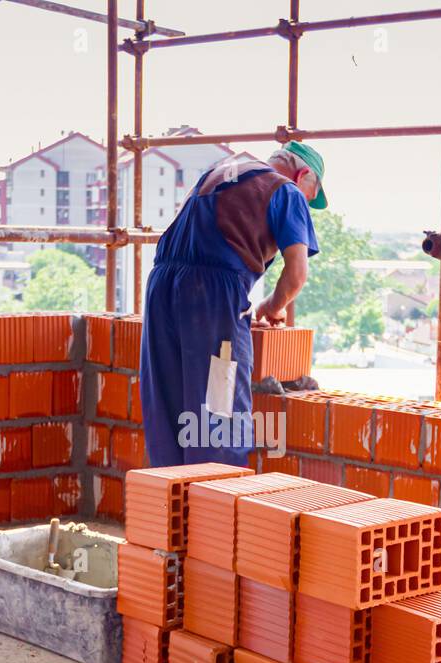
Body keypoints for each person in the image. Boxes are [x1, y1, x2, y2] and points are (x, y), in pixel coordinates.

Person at [138, 141, 326, 467]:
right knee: (218, 415)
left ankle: (169, 507)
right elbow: (296, 274)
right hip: (211, 297)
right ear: (304, 174)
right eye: (312, 196)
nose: (307, 205)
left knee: (167, 411)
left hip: (161, 288)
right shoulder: (287, 191)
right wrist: (273, 304)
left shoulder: (220, 173)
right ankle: (215, 509)